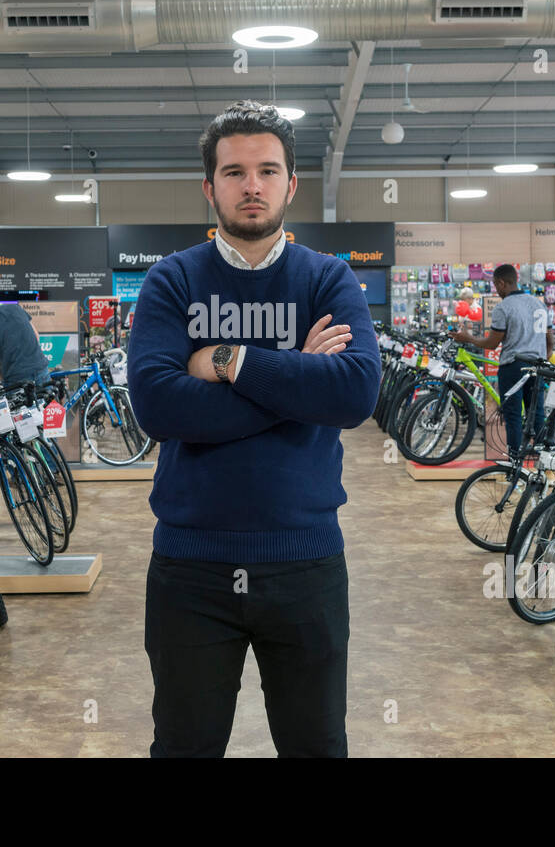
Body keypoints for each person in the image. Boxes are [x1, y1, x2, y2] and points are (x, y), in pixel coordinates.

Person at [127, 100, 380, 758]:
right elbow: (158, 405)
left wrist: (227, 359)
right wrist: (298, 378)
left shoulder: (327, 279)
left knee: (317, 746)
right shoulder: (172, 280)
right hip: (191, 569)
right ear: (209, 186)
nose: (252, 184)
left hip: (306, 564)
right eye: (235, 171)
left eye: (268, 170)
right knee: (184, 747)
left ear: (291, 184)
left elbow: (354, 391)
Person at [450, 264, 551, 455]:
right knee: (536, 413)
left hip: (513, 367)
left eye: (496, 285)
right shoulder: (539, 304)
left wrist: (468, 338)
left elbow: (491, 343)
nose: (496, 289)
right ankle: (543, 460)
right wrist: (542, 360)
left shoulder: (503, 308)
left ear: (501, 283)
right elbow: (550, 340)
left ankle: (514, 460)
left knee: (512, 415)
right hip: (537, 365)